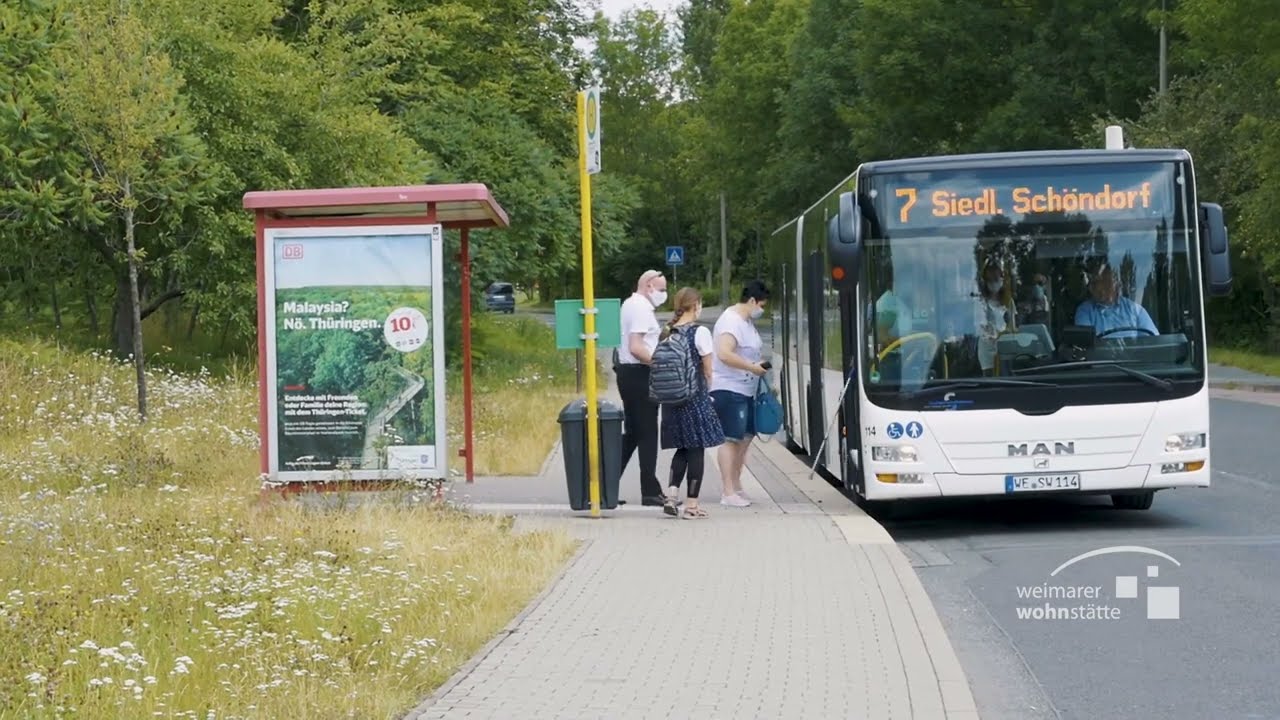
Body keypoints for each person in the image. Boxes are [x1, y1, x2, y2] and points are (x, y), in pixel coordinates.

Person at [657, 287, 724, 519]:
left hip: (671, 399)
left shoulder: (666, 331)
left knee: (682, 447)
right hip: (694, 397)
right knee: (696, 449)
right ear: (696, 306)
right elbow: (707, 370)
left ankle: (672, 495)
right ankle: (692, 505)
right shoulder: (700, 332)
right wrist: (708, 393)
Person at [710, 280, 770, 508]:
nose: (761, 310)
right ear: (752, 300)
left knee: (744, 439)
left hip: (747, 388)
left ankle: (736, 485)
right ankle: (727, 491)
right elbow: (724, 353)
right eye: (761, 305)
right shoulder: (731, 321)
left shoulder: (746, 322)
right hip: (729, 388)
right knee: (731, 439)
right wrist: (751, 367)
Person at [617, 269, 669, 506]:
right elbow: (636, 346)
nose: (664, 294)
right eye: (661, 289)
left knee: (634, 434)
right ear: (648, 286)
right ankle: (649, 490)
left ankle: (604, 483)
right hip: (639, 374)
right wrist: (658, 363)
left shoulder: (631, 304)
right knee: (648, 433)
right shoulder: (640, 308)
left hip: (630, 374)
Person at [1074, 263, 1159, 338]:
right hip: (1100, 356)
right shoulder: (1085, 311)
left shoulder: (1135, 310)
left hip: (1135, 355)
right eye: (1096, 283)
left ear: (1117, 284)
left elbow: (1154, 340)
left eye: (1107, 282)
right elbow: (1086, 345)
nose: (1102, 287)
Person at [975, 263, 1010, 375]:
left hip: (1005, 345)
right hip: (987, 346)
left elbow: (1013, 323)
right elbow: (980, 325)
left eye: (996, 279)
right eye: (990, 280)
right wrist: (990, 334)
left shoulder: (1008, 302)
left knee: (1006, 375)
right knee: (990, 378)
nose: (994, 283)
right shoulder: (981, 302)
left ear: (1001, 280)